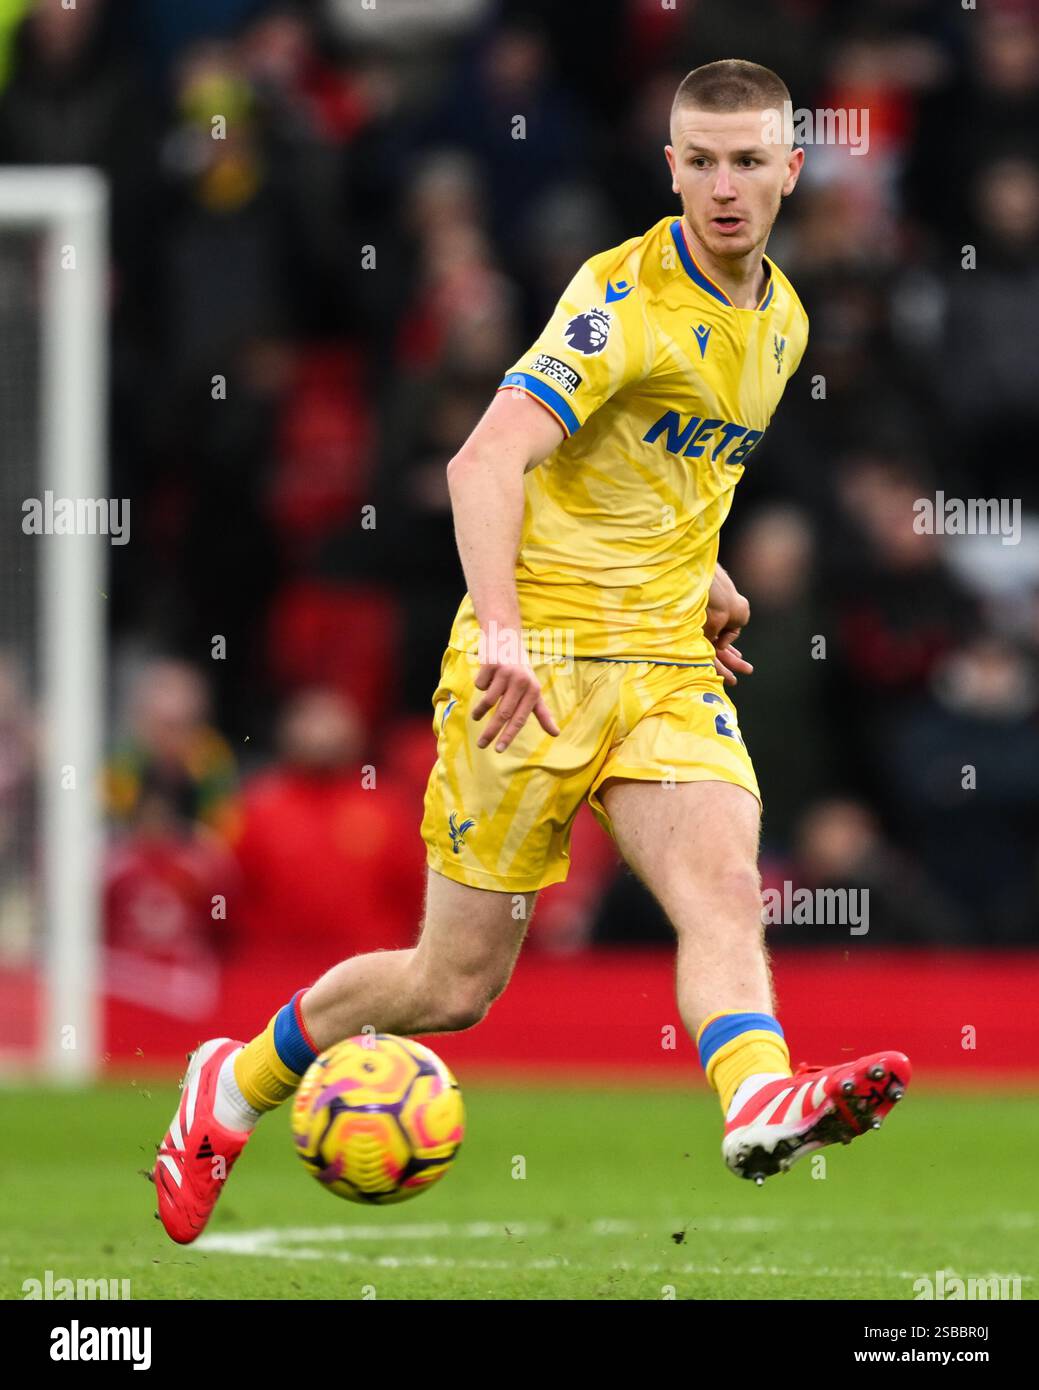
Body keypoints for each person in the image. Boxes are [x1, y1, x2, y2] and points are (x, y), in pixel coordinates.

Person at [153, 60, 910, 1244]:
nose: (723, 187)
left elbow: (661, 470)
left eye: (747, 161)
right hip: (536, 660)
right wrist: (504, 630)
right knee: (449, 985)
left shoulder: (786, 321)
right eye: (699, 161)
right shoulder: (620, 299)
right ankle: (232, 1083)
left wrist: (702, 575)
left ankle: (756, 1097)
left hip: (662, 661)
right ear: (669, 168)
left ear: (789, 171)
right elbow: (482, 461)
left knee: (719, 890)